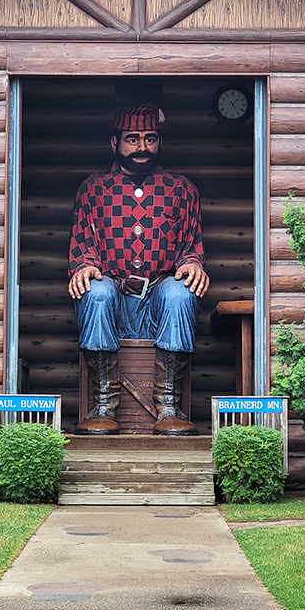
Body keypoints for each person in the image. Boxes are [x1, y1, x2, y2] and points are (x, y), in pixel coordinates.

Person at [68, 105, 209, 435]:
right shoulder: (93, 189)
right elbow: (82, 246)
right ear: (114, 142)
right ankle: (104, 404)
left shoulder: (182, 190)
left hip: (159, 293)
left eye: (150, 138)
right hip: (113, 292)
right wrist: (84, 268)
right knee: (96, 292)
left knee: (180, 293)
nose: (142, 146)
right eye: (132, 139)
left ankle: (168, 406)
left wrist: (192, 265)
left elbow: (192, 247)